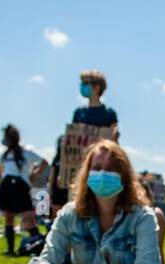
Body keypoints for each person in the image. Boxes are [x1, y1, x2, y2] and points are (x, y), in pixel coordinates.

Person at [10, 139, 159, 264]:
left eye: (110, 168)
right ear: (87, 173)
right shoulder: (69, 214)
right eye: (97, 167)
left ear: (124, 176)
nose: (103, 173)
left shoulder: (142, 217)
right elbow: (45, 259)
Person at [50, 69, 120, 215]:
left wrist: (114, 137)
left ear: (97, 87)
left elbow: (114, 140)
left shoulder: (108, 113)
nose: (82, 87)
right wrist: (63, 172)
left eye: (86, 83)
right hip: (77, 168)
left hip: (97, 169)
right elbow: (71, 143)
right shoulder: (78, 113)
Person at [0, 124, 46, 255]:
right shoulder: (5, 155)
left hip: (21, 186)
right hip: (7, 186)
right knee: (9, 217)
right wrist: (3, 178)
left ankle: (38, 245)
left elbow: (44, 161)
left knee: (29, 217)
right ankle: (10, 249)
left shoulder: (26, 153)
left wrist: (34, 174)